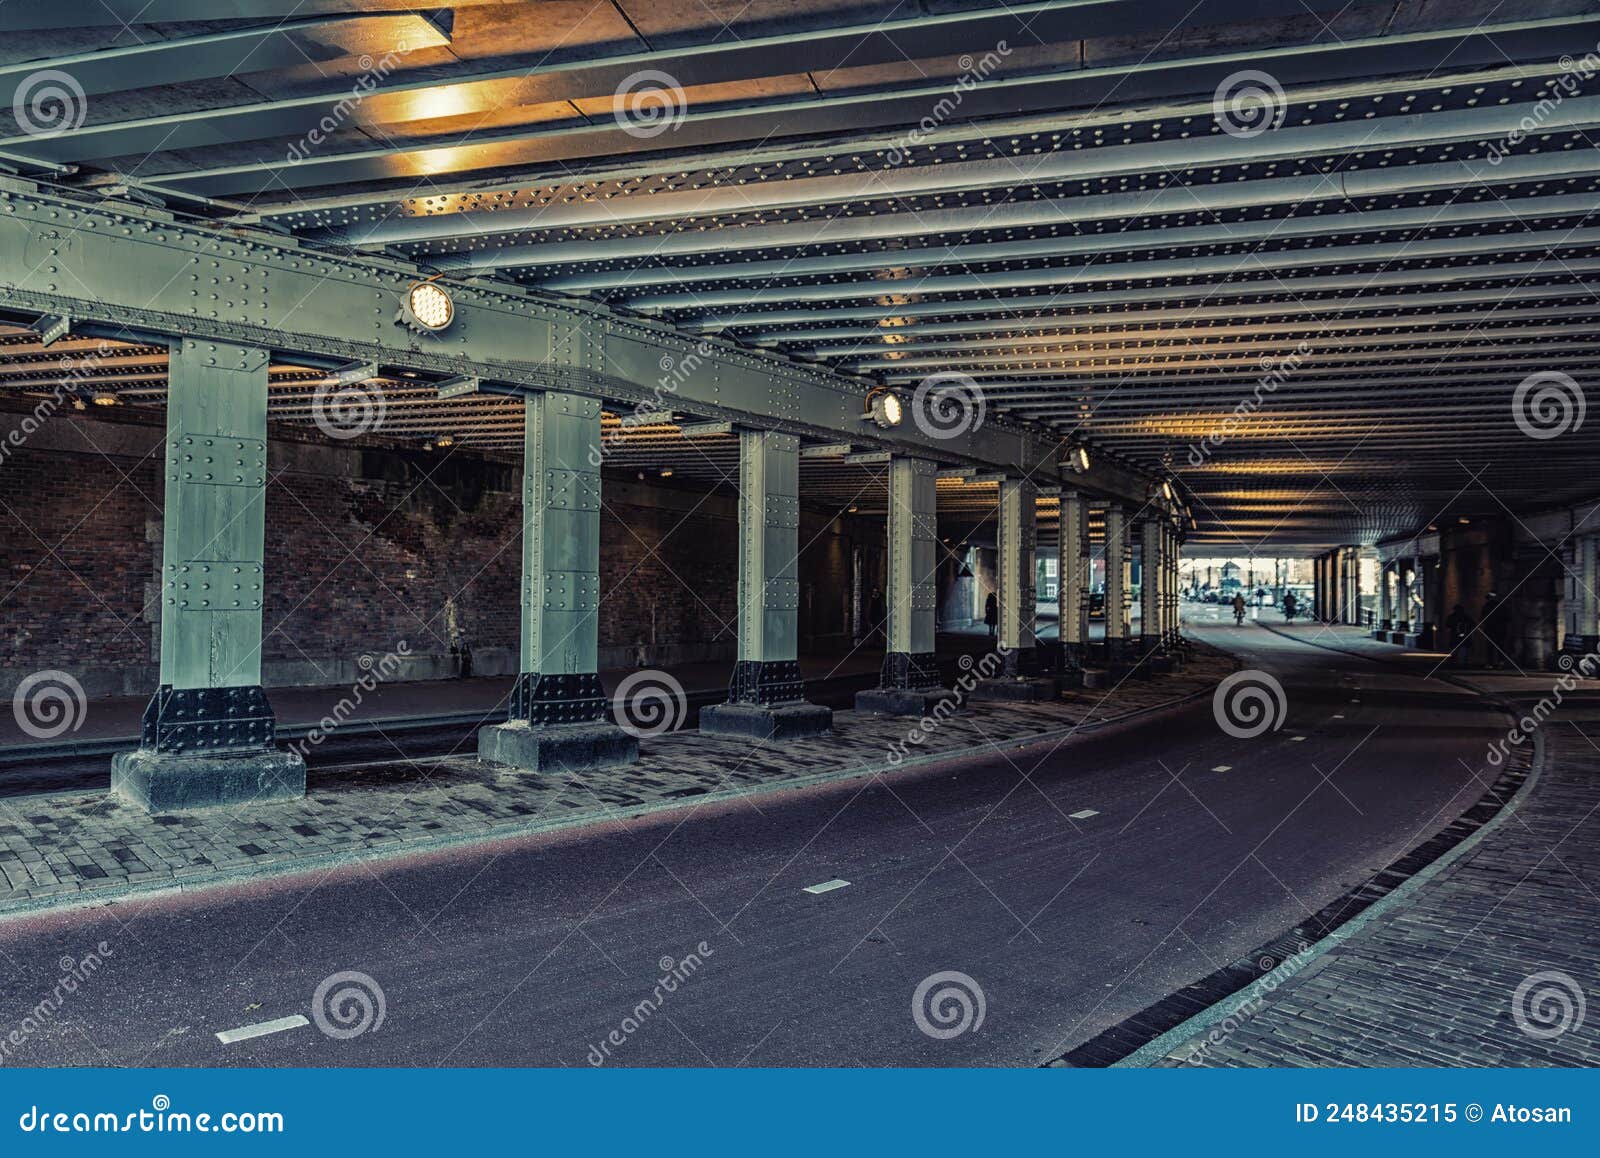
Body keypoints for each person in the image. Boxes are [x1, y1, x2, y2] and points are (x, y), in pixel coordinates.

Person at [1445, 603, 1474, 668]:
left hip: (1455, 637)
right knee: (1463, 651)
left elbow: (1447, 625)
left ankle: (1455, 663)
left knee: (1455, 651)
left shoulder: (1452, 617)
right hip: (1464, 638)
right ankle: (1462, 664)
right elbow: (1473, 624)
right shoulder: (1466, 617)